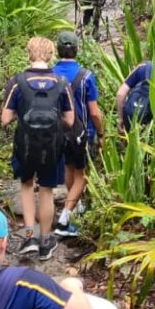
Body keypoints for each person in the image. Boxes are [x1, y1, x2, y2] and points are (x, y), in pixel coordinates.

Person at [1, 37, 74, 260]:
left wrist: (23, 116)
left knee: (26, 186)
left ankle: (29, 236)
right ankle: (45, 241)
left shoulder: (18, 82)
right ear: (51, 54)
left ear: (29, 54)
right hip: (52, 145)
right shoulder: (61, 82)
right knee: (46, 190)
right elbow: (70, 120)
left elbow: (4, 119)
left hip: (25, 144)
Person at [51, 29, 104, 238]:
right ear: (77, 50)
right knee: (82, 174)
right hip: (82, 132)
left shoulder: (51, 74)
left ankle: (77, 205)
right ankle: (65, 219)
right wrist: (100, 133)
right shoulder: (86, 76)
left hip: (59, 131)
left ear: (57, 50)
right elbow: (94, 111)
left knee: (69, 167)